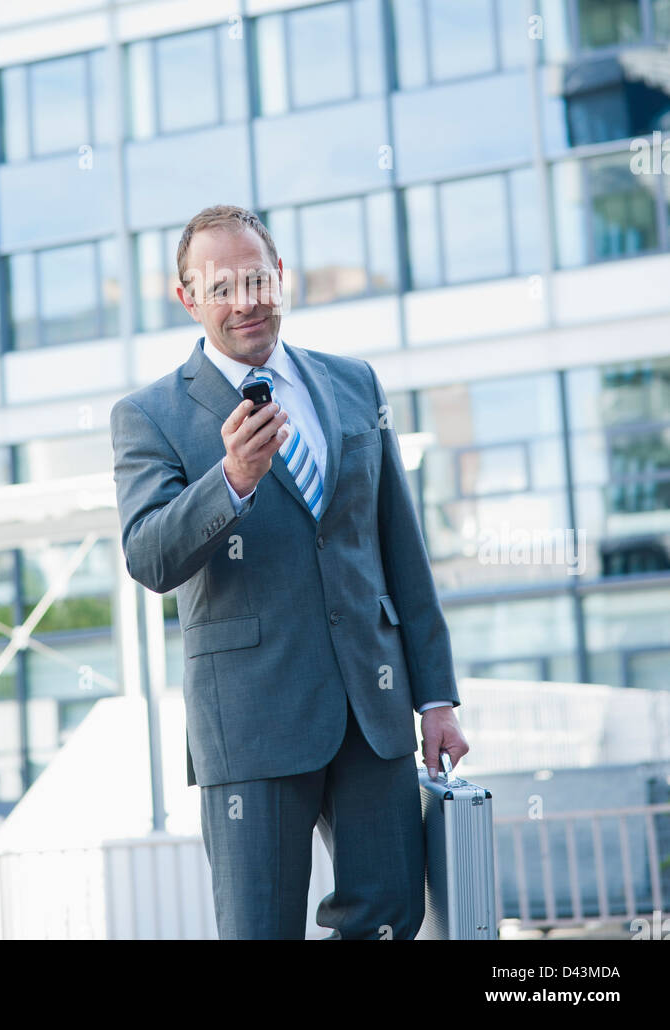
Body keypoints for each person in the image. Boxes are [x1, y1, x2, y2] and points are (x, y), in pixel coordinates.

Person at [110, 204, 468, 940]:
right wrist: (232, 478)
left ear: (281, 278)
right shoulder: (150, 415)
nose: (244, 300)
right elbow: (149, 555)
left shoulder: (353, 384)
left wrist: (435, 696)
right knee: (260, 930)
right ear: (189, 301)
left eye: (255, 278)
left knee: (390, 918)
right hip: (251, 721)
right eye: (220, 287)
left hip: (373, 710)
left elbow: (400, 547)